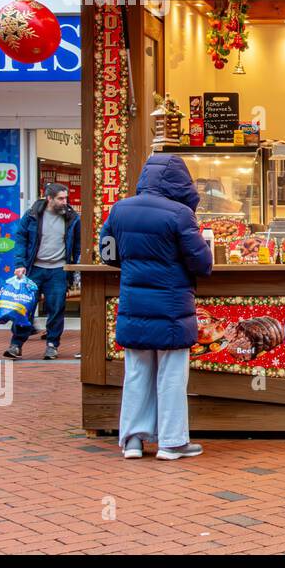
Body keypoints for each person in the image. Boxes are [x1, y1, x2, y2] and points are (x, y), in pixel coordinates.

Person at [100, 154, 213, 460]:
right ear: (180, 182)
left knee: (136, 372)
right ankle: (171, 443)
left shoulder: (120, 210)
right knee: (172, 375)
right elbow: (202, 263)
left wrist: (133, 263)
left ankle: (133, 441)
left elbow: (107, 253)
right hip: (172, 307)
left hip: (134, 305)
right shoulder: (179, 214)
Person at [4, 183, 80, 360]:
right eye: (60, 198)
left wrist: (75, 267)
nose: (65, 202)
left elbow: (77, 244)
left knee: (56, 309)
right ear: (49, 198)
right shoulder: (32, 215)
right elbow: (21, 239)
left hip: (58, 270)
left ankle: (52, 345)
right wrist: (20, 264)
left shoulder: (71, 217)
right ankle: (16, 344)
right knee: (24, 307)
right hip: (35, 269)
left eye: (66, 198)